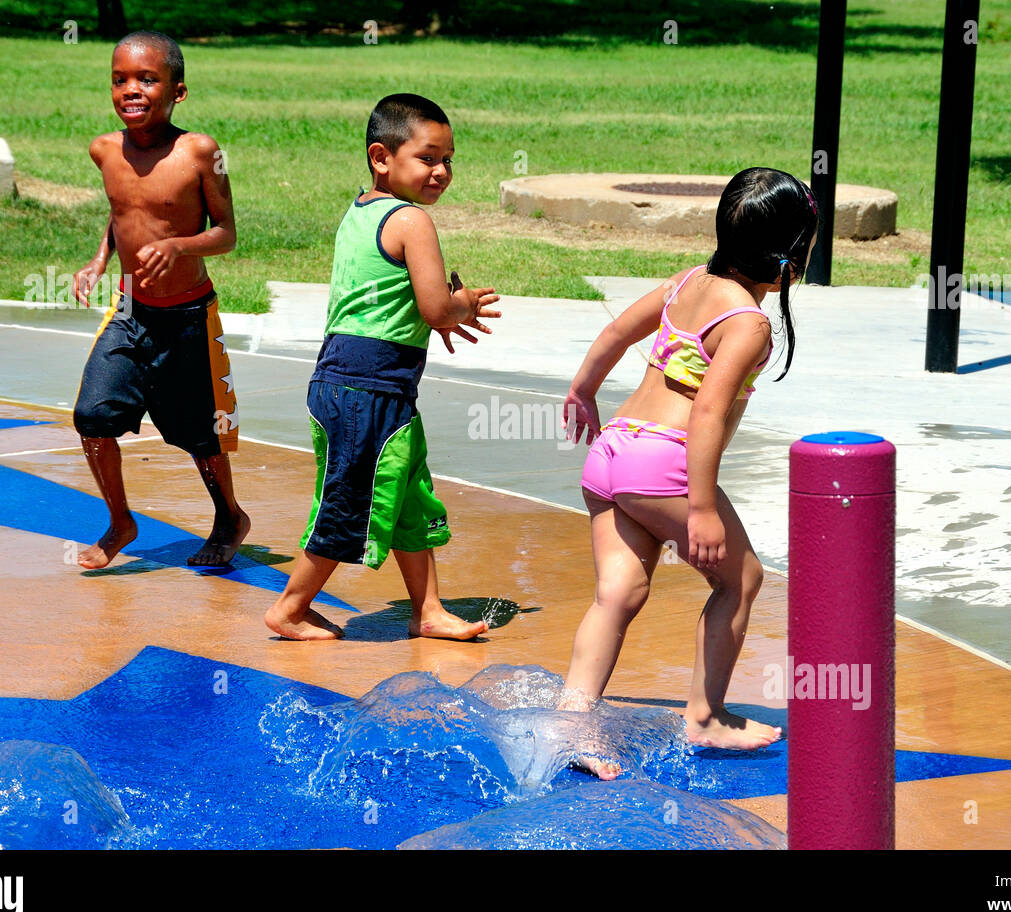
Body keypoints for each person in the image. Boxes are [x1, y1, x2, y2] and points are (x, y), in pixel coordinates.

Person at [558, 167, 818, 777]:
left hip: (614, 451)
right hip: (664, 464)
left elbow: (619, 330)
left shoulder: (689, 281)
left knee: (617, 593)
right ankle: (705, 716)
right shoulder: (749, 324)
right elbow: (705, 410)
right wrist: (700, 507)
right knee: (741, 578)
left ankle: (574, 723)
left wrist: (583, 389)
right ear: (791, 254)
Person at [265, 93, 499, 642]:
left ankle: (429, 610)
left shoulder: (362, 210)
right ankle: (289, 609)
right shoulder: (412, 220)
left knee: (409, 499)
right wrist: (460, 305)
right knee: (350, 503)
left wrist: (441, 302)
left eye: (449, 160)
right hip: (366, 391)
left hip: (363, 385)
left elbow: (395, 294)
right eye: (428, 157)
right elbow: (435, 307)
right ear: (381, 157)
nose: (441, 171)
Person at [71, 31, 249, 570]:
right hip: (130, 313)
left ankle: (229, 518)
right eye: (120, 79)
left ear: (179, 91)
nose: (132, 89)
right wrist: (99, 259)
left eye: (147, 79)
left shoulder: (199, 152)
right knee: (91, 416)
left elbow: (226, 232)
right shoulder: (105, 150)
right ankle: (120, 521)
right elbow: (123, 211)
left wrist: (179, 245)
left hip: (189, 317)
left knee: (201, 434)